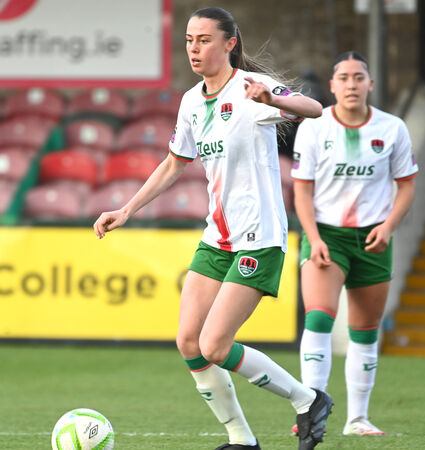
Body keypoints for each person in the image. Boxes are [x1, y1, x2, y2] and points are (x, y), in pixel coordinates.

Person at [94, 8, 333, 450]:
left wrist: (274, 100)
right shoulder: (190, 101)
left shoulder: (249, 90)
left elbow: (315, 108)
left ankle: (308, 399)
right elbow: (173, 164)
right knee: (189, 342)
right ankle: (241, 440)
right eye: (189, 40)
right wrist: (126, 210)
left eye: (204, 39)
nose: (194, 48)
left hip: (259, 239)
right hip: (217, 239)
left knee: (216, 346)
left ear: (230, 43)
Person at [291, 51, 418, 436]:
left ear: (370, 84)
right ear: (332, 86)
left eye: (358, 77)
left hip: (374, 237)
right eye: (343, 78)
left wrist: (389, 227)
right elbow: (302, 190)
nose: (351, 84)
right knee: (318, 318)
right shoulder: (314, 128)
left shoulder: (392, 128)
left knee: (365, 330)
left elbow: (407, 185)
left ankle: (357, 419)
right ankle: (311, 411)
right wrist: (312, 238)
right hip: (326, 235)